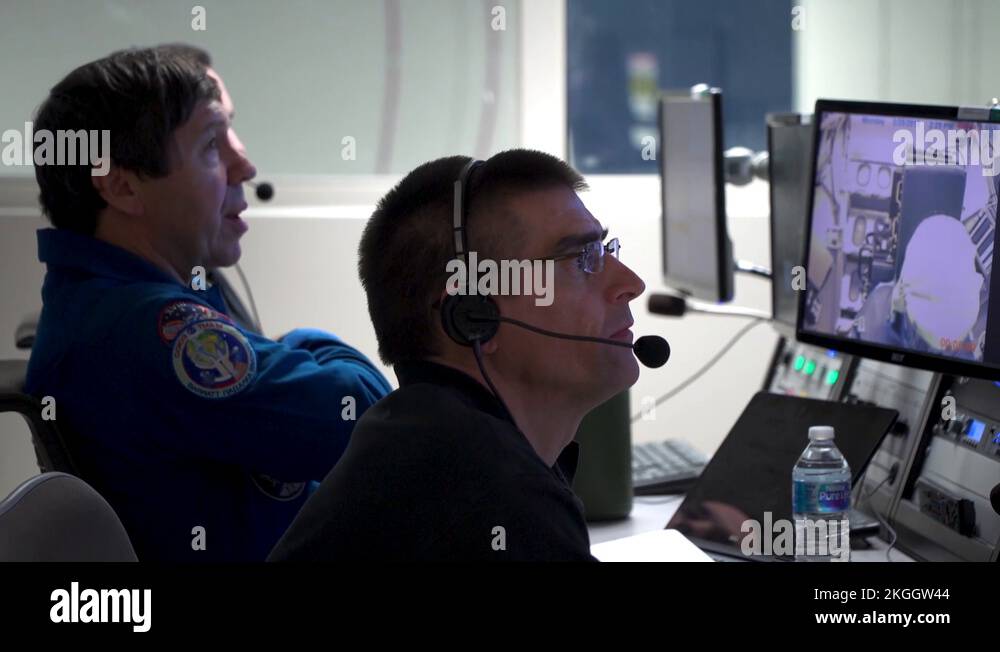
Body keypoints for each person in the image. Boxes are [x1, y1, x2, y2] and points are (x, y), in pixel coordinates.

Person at [25, 45, 391, 561]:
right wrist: (301, 344)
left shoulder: (103, 306)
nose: (244, 165)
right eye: (210, 147)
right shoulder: (150, 332)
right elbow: (369, 421)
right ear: (121, 186)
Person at [269, 150, 646, 561]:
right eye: (581, 259)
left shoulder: (429, 442)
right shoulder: (485, 488)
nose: (631, 283)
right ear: (473, 314)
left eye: (607, 249)